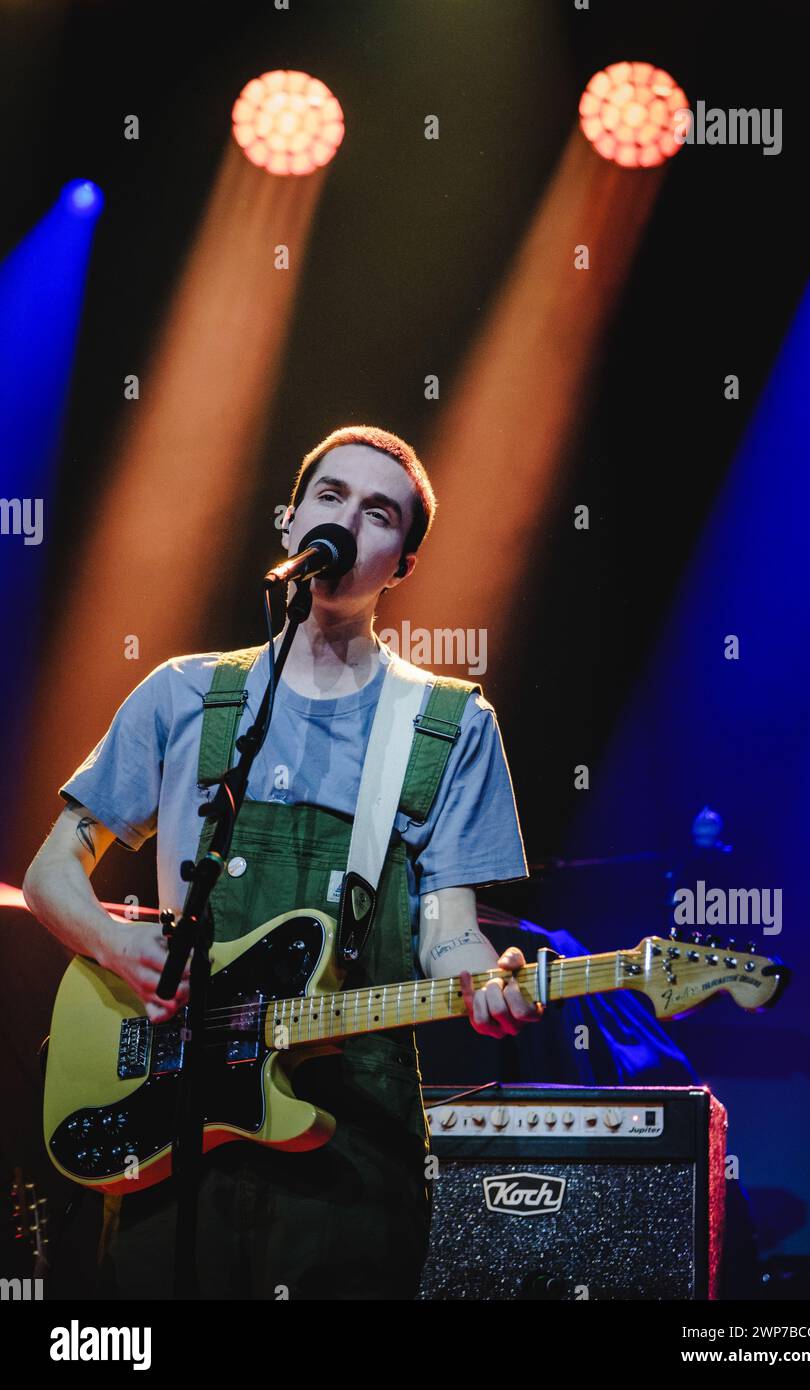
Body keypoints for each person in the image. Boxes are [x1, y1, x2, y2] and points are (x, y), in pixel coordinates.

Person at [23, 423, 539, 1300]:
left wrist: (490, 980)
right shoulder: (188, 693)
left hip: (353, 1140)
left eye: (380, 513)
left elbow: (448, 934)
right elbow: (49, 875)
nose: (346, 521)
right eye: (330, 497)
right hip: (174, 1126)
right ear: (291, 519)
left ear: (401, 564)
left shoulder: (449, 725)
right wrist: (119, 948)